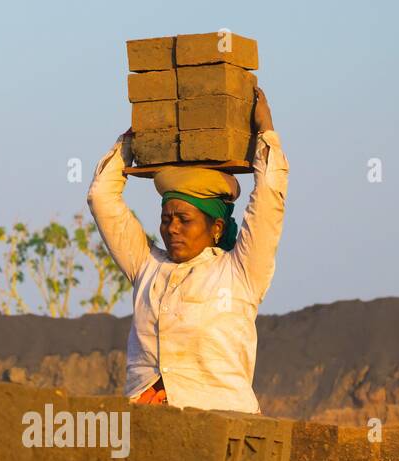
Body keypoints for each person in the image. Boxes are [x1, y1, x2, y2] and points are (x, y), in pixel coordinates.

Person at [87, 87, 287, 413]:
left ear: (216, 228)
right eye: (166, 219)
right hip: (145, 423)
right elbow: (101, 199)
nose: (172, 229)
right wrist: (132, 140)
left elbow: (267, 203)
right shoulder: (146, 266)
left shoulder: (240, 272)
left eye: (184, 219)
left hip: (223, 423)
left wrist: (266, 132)